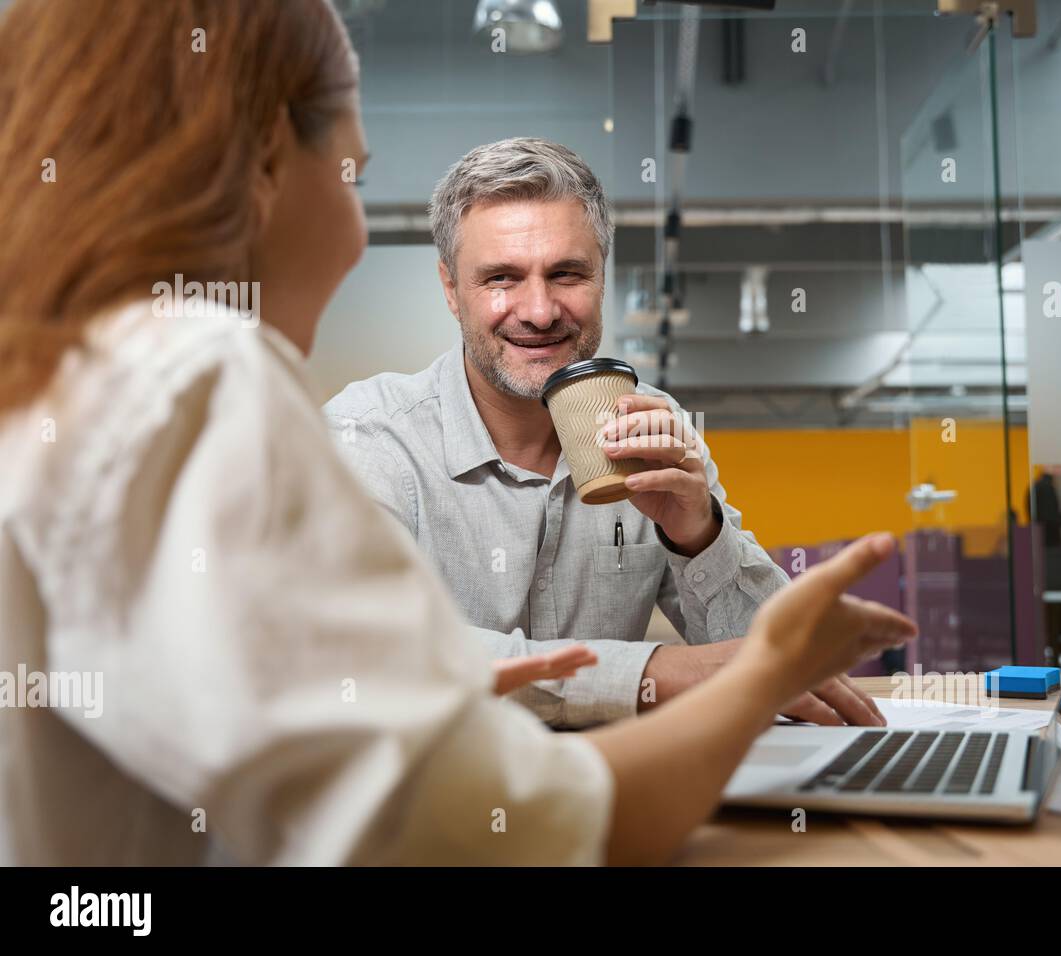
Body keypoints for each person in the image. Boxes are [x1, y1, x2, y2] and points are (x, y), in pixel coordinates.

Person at [0, 0, 917, 866]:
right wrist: (722, 676)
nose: (357, 234)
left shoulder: (77, 378)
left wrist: (700, 532)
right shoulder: (211, 388)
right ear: (270, 164)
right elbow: (492, 825)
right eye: (350, 175)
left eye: (568, 273)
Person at [324, 137, 885, 729]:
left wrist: (697, 534)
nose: (540, 311)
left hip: (612, 794)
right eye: (501, 279)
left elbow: (767, 666)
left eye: (567, 273)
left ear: (601, 278)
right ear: (450, 289)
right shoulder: (371, 437)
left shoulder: (652, 427)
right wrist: (653, 674)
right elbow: (372, 651)